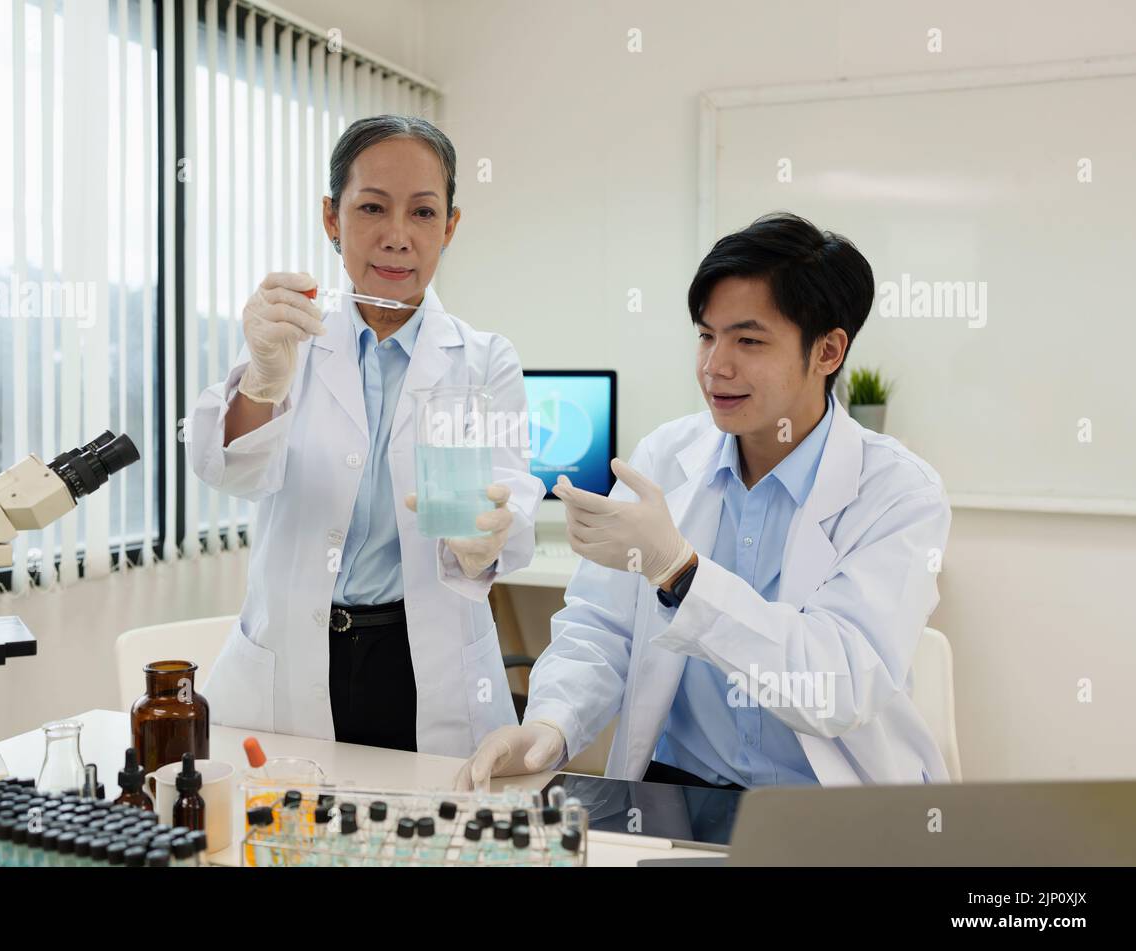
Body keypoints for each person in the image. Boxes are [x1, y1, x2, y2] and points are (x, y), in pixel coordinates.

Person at [455, 212, 952, 789]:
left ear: (828, 351)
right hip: (678, 789)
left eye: (748, 340)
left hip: (824, 802)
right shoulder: (666, 456)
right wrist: (549, 723)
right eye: (706, 335)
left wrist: (682, 575)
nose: (716, 366)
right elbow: (601, 624)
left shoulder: (899, 493)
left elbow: (836, 685)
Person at [188, 115, 543, 758]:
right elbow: (231, 473)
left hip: (421, 659)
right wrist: (266, 377)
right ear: (332, 218)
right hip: (296, 652)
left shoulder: (485, 359)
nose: (398, 237)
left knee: (426, 847)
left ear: (450, 227)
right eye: (372, 207)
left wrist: (487, 536)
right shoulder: (286, 333)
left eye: (424, 213)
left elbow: (509, 508)